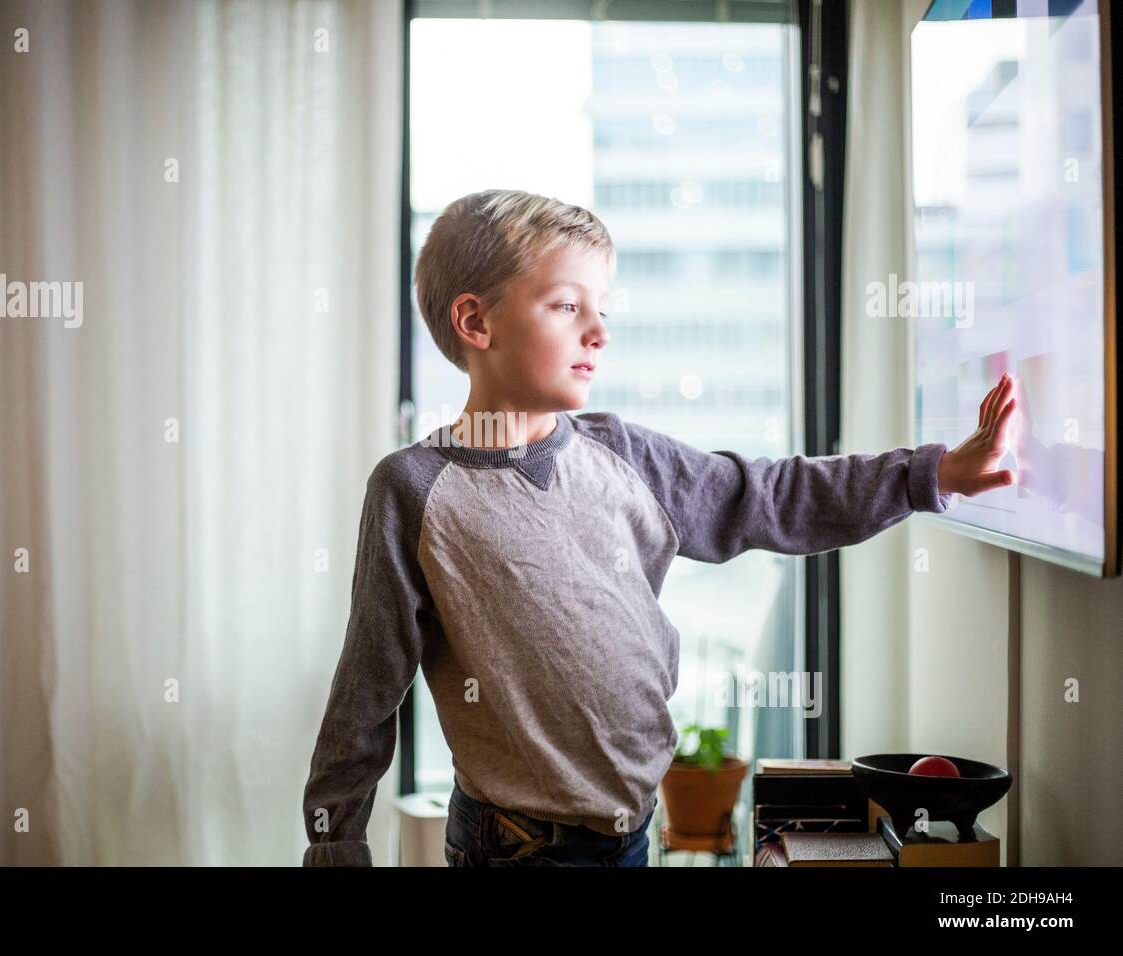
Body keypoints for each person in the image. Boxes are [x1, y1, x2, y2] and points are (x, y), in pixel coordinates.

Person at [300, 189, 1017, 867]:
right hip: (516, 845)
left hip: (632, 831)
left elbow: (765, 494)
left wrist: (932, 475)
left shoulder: (625, 454)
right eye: (566, 305)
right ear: (476, 323)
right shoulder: (414, 488)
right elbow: (366, 690)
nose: (599, 331)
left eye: (602, 307)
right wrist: (336, 848)